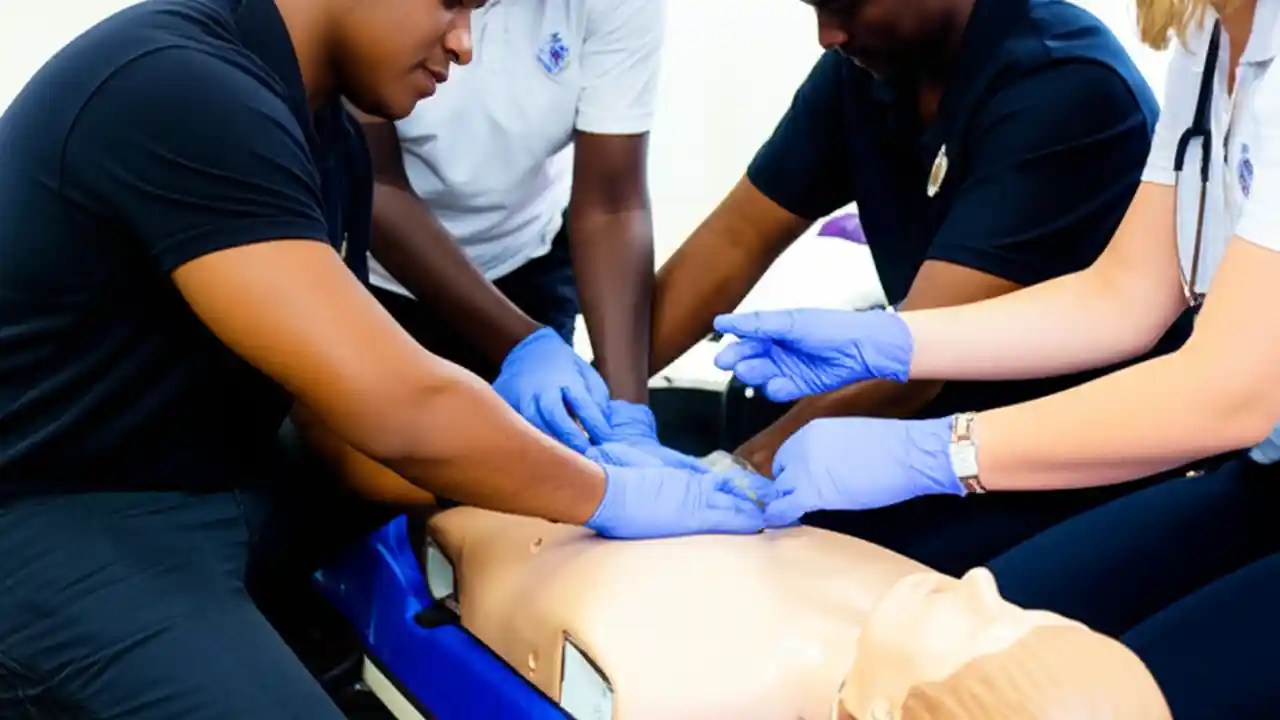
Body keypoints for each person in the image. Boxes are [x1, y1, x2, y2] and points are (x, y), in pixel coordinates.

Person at [0, 0, 768, 716]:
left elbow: (337, 435)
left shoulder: (324, 139)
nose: (466, 43)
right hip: (59, 517)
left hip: (210, 477)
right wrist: (603, 491)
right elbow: (402, 411)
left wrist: (547, 462)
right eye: (451, 2)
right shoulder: (178, 86)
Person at [715, 0, 1280, 714]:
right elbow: (1128, 293)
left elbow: (1230, 389)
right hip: (1262, 471)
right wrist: (895, 344)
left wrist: (938, 454)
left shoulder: (1066, 76)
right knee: (966, 656)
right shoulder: (1207, 34)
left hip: (1231, 426)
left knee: (1056, 699)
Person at [649, 0, 1191, 573]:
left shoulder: (1065, 86)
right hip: (932, 424)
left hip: (1065, 464)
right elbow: (736, 237)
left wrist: (746, 468)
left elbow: (919, 366)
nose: (827, 34)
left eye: (846, 5)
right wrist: (603, 393)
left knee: (799, 573)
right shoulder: (867, 71)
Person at [359, 0, 678, 465]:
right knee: (381, 475)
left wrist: (626, 416)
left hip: (528, 263)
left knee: (537, 476)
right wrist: (523, 344)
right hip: (374, 271)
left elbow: (612, 204)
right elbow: (373, 181)